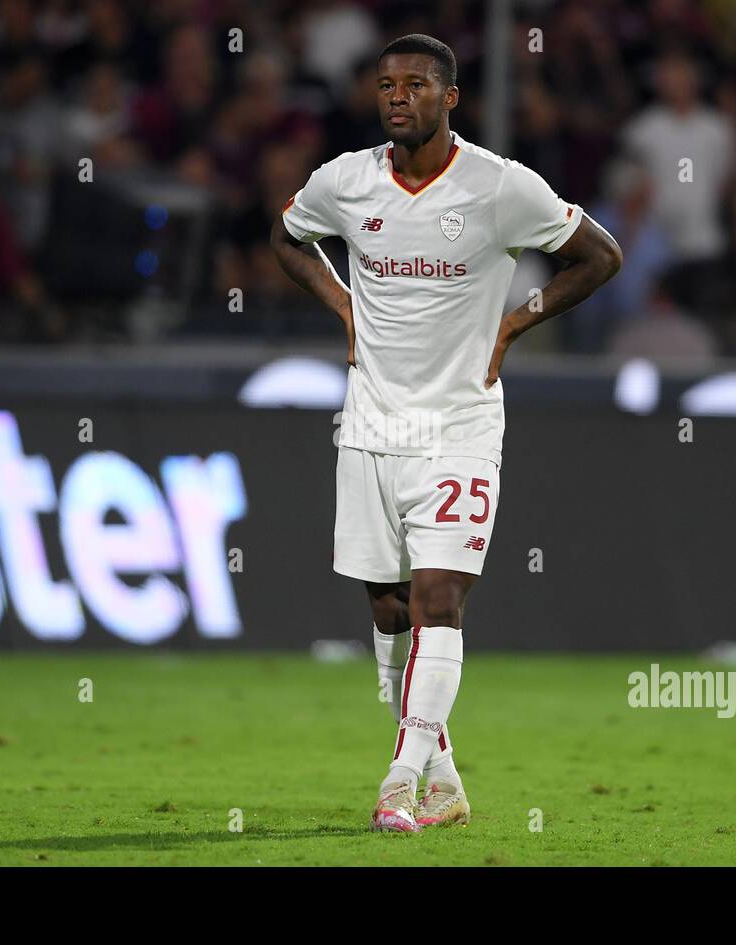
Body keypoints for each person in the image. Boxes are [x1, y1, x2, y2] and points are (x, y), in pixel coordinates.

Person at [271, 34, 621, 832]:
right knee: (391, 610)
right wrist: (343, 304)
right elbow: (287, 238)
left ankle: (399, 782)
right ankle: (446, 781)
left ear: (450, 97)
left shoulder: (501, 186)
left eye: (417, 84)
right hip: (370, 423)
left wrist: (515, 324)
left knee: (438, 600)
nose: (399, 97)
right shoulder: (345, 180)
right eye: (386, 85)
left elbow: (600, 257)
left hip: (460, 423)